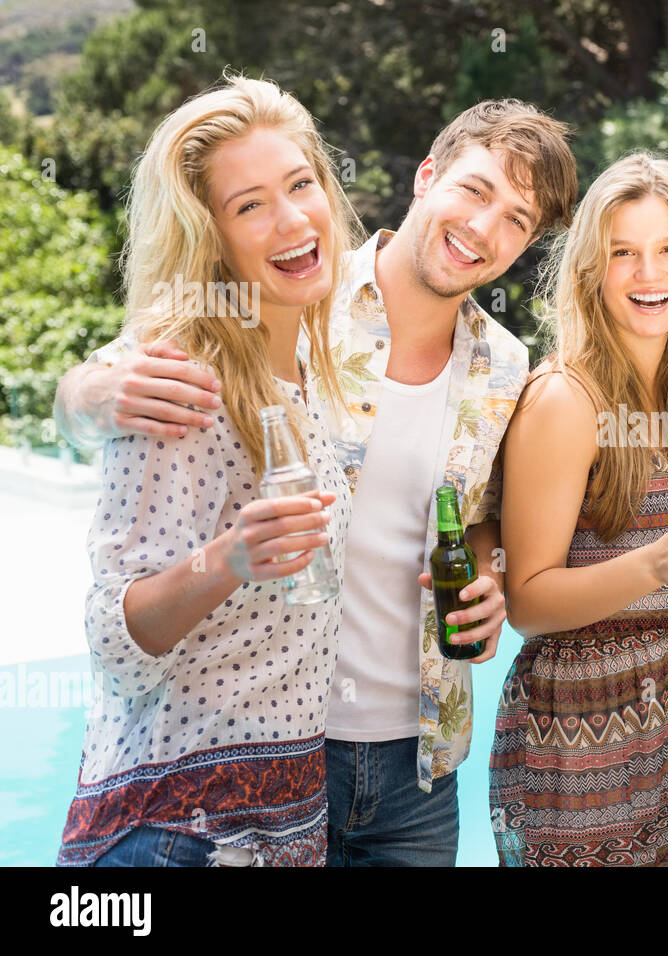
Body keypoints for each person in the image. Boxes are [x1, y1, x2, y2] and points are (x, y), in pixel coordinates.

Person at [55, 99, 581, 865]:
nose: (483, 228)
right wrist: (86, 395)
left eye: (517, 219)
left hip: (418, 760)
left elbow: (478, 518)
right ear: (428, 175)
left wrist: (489, 571)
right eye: (474, 190)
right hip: (273, 743)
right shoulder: (298, 287)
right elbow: (129, 372)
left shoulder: (505, 365)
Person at [56, 75, 362, 866]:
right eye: (249, 204)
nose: (293, 219)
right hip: (175, 836)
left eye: (301, 184)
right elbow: (111, 640)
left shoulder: (299, 367)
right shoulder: (182, 382)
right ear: (210, 238)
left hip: (276, 823)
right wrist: (226, 562)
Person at [489, 153, 668, 866]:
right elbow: (528, 602)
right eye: (622, 254)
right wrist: (659, 561)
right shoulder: (566, 400)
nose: (648, 274)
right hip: (580, 734)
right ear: (589, 271)